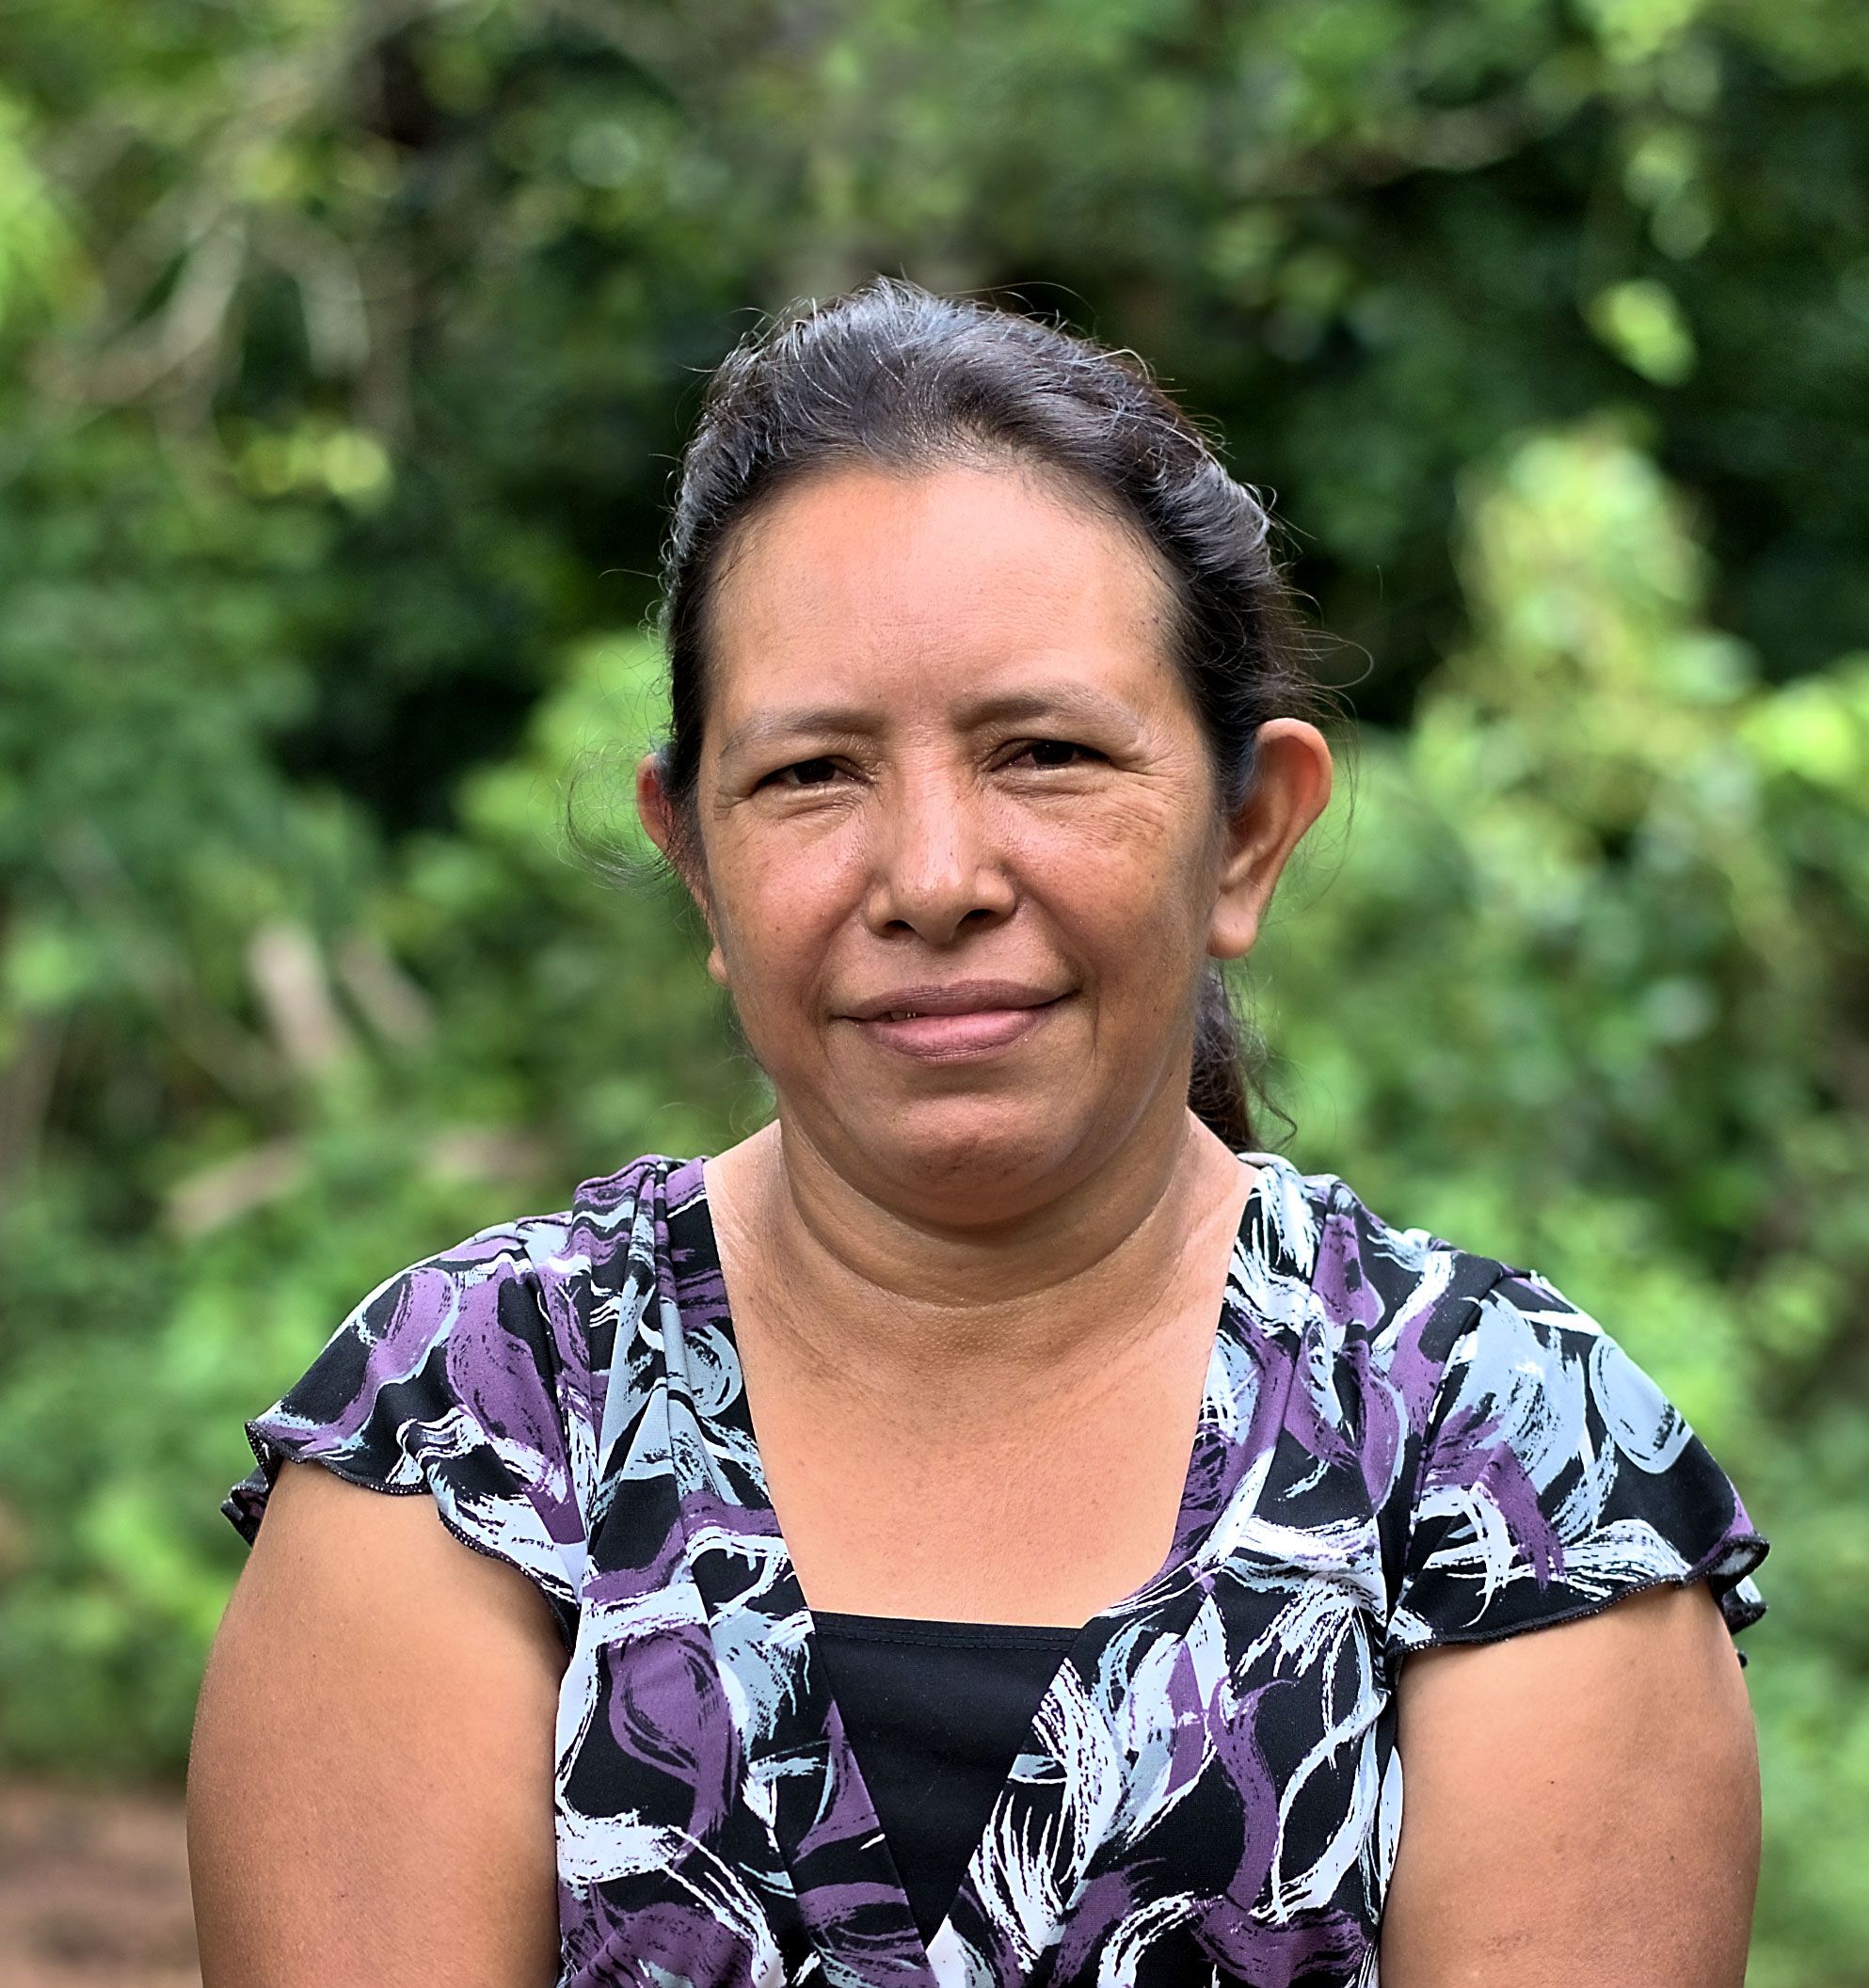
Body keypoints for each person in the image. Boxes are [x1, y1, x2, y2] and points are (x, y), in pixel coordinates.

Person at [186, 278, 1767, 1988]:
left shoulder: (1502, 1456)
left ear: (1246, 833)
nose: (933, 877)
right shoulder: (480, 1421)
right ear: (694, 855)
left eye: (1045, 752)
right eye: (811, 773)